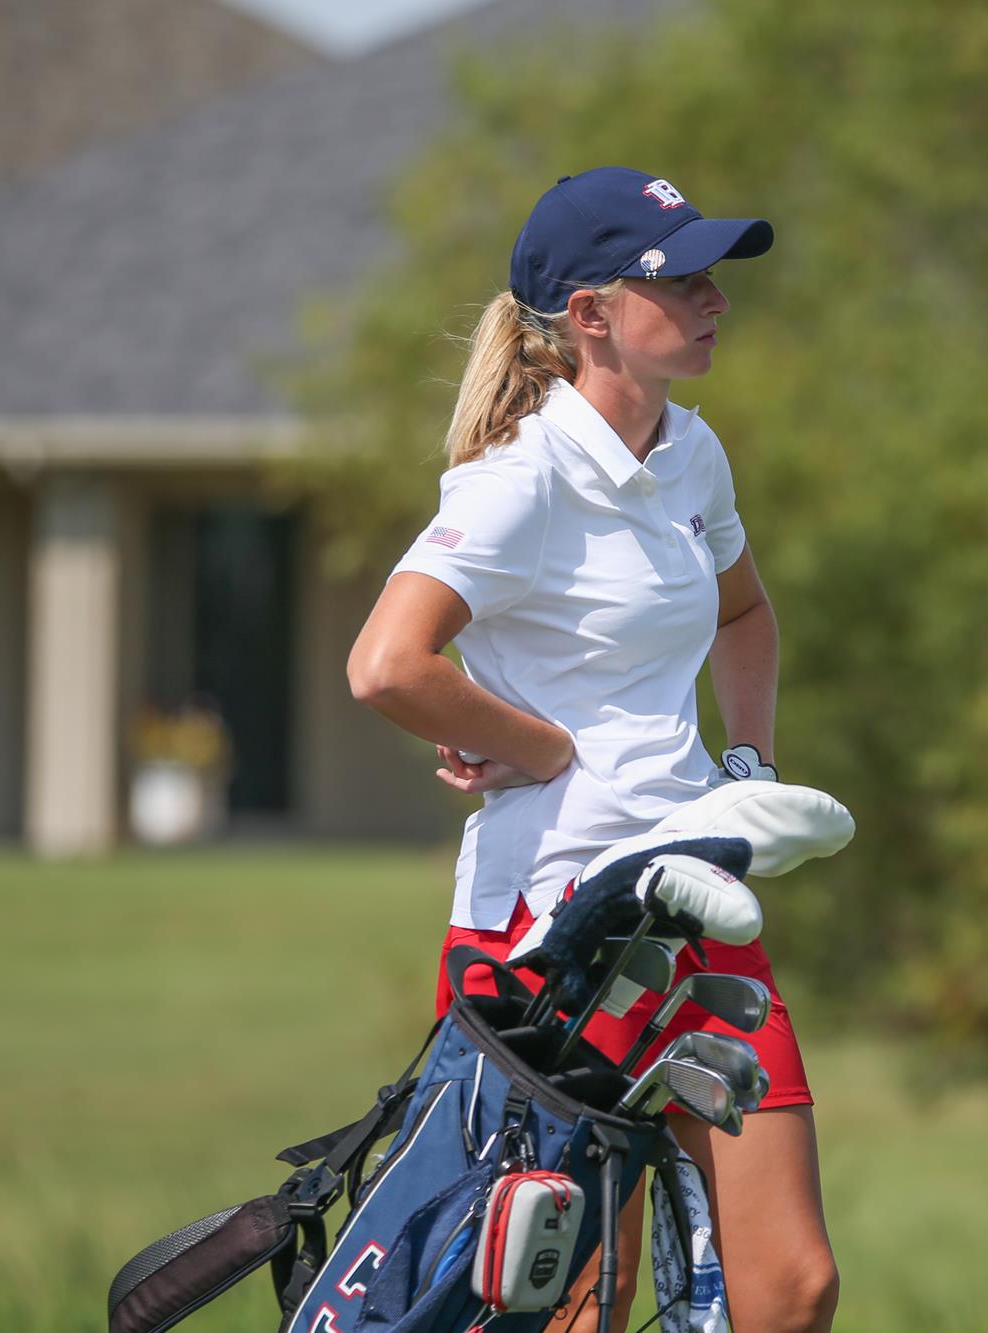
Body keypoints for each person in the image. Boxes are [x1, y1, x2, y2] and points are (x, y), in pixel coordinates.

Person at [346, 167, 838, 1332]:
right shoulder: (520, 480)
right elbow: (386, 663)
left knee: (790, 1287)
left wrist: (747, 774)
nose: (715, 296)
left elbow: (743, 615)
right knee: (581, 1302)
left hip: (690, 909)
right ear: (590, 315)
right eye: (680, 278)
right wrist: (535, 746)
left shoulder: (691, 454)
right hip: (547, 930)